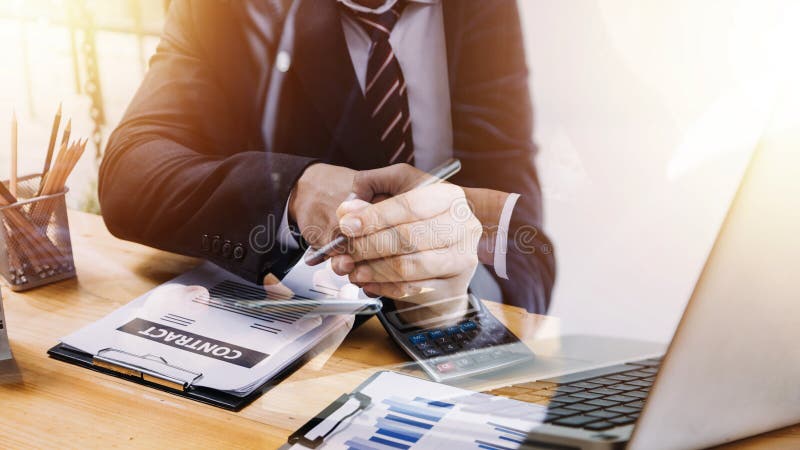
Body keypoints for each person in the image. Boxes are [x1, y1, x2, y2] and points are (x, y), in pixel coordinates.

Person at [99, 0, 555, 314]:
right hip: (302, 346)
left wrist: (463, 289)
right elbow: (130, 172)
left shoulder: (481, 12)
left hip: (436, 356)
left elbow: (521, 238)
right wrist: (295, 187)